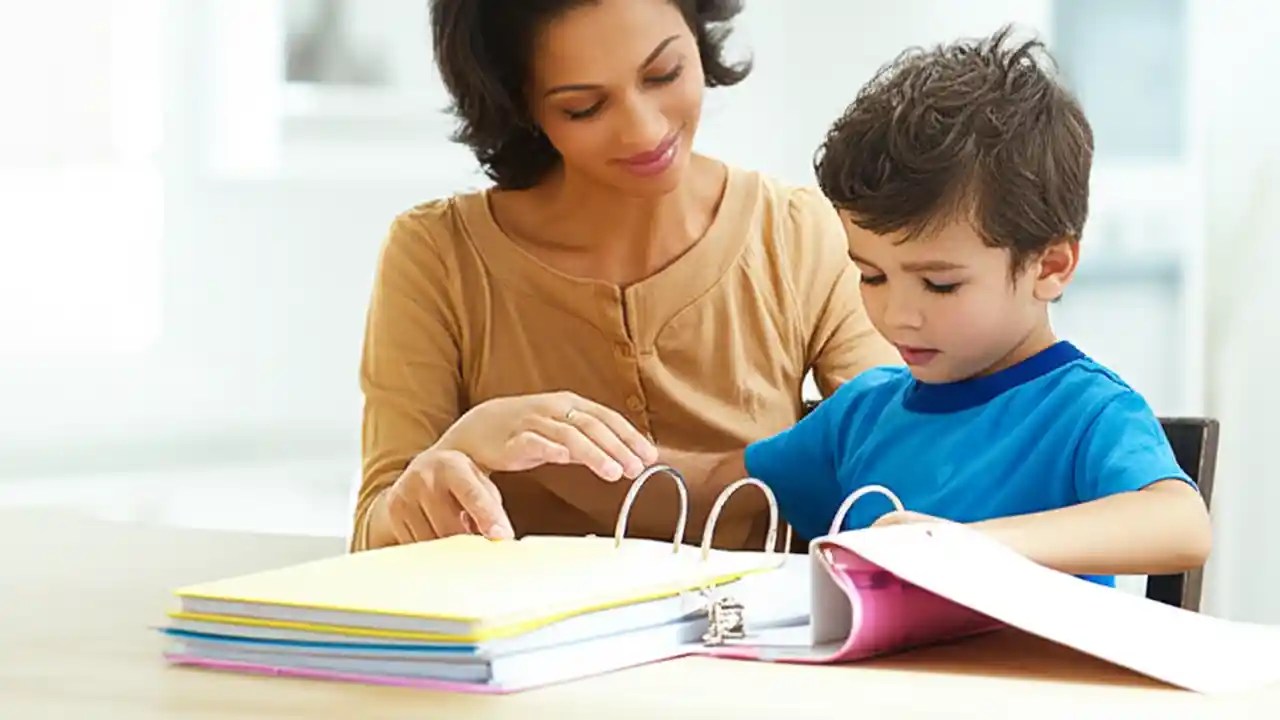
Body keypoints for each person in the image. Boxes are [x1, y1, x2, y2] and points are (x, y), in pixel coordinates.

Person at [351, 0, 898, 552]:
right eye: (584, 107)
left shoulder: (800, 232)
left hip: (759, 634)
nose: (645, 132)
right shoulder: (437, 256)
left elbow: (904, 464)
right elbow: (371, 541)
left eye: (664, 74)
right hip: (530, 634)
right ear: (518, 105)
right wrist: (462, 448)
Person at [702, 27, 1212, 584]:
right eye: (871, 276)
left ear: (1050, 266)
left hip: (1029, 675)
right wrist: (593, 439)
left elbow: (1182, 526)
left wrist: (962, 545)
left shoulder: (1086, 411)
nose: (898, 315)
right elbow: (709, 489)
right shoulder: (861, 416)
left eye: (940, 285)